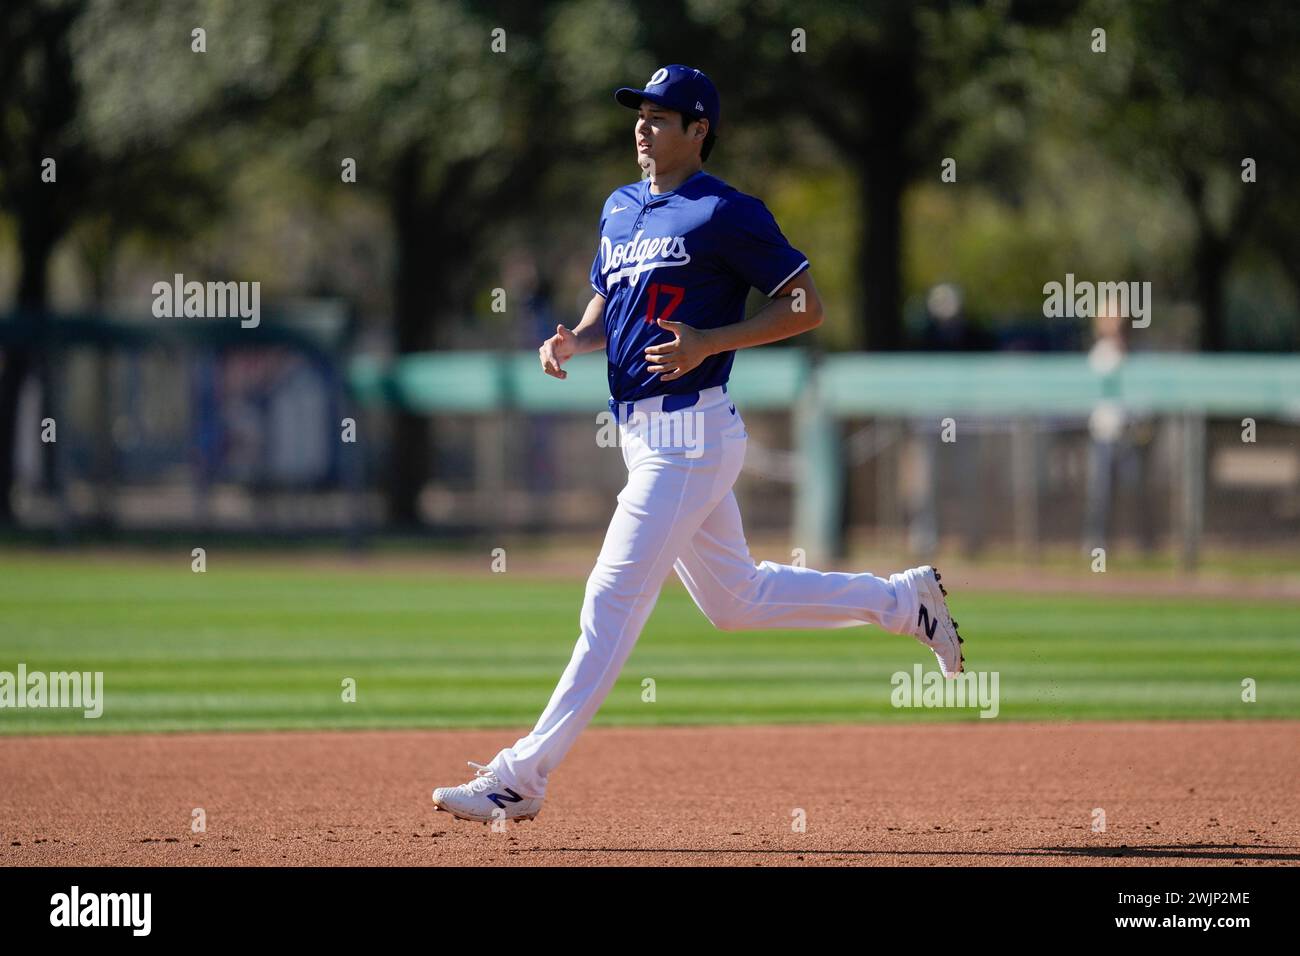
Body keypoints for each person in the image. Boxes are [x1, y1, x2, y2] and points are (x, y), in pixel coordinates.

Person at [432, 65, 964, 825]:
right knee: (736, 601)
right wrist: (575, 341)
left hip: (690, 433)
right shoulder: (618, 208)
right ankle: (901, 602)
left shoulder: (725, 212)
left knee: (609, 599)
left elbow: (806, 305)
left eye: (662, 115)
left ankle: (522, 775)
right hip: (645, 436)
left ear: (698, 130)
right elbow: (608, 300)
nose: (644, 125)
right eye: (640, 113)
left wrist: (712, 339)